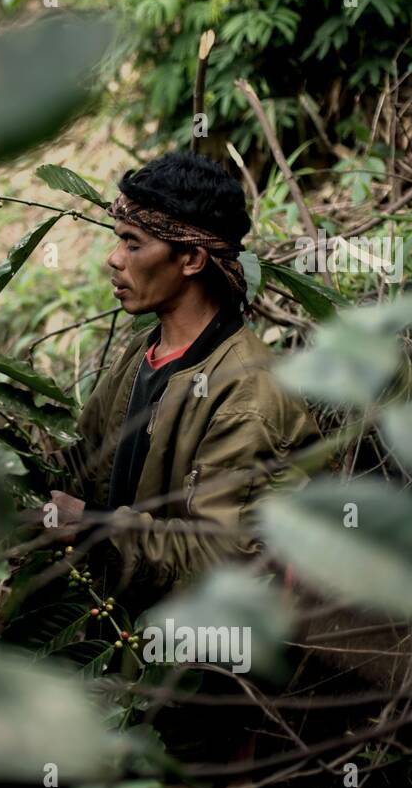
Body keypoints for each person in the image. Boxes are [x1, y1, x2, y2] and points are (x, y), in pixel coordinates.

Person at [48, 151, 321, 613]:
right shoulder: (141, 354)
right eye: (118, 242)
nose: (114, 260)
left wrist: (93, 529)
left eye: (133, 244)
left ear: (191, 259)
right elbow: (81, 465)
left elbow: (220, 560)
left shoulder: (246, 394)